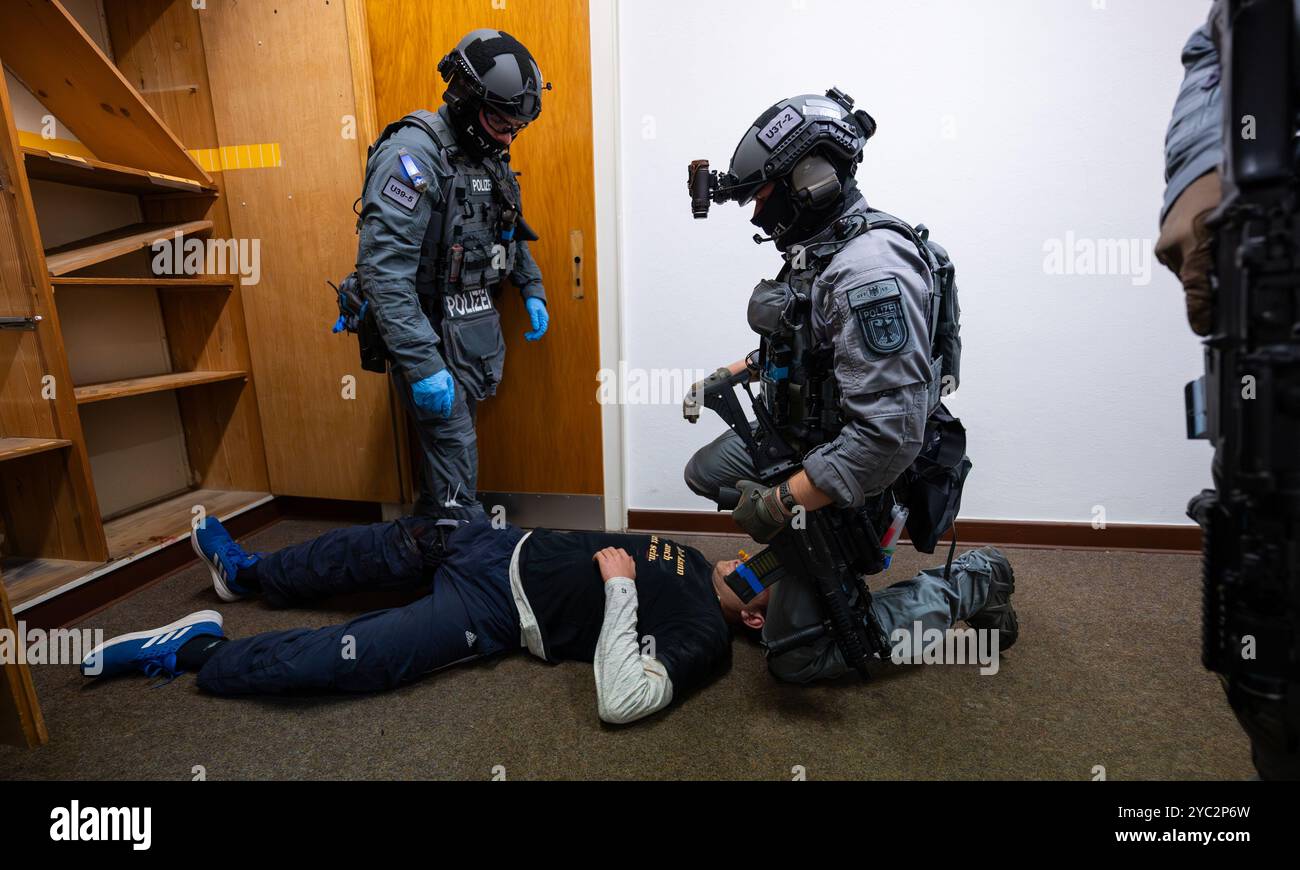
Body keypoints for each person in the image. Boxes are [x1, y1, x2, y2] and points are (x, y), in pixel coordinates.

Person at [682, 88, 1018, 681]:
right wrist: (731, 373)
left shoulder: (871, 273)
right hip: (806, 435)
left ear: (808, 181)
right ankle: (796, 553)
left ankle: (975, 582)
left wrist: (781, 500)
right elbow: (806, 349)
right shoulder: (822, 248)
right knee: (707, 472)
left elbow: (888, 436)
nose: (757, 212)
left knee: (797, 658)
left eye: (761, 194)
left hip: (861, 459)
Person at [79, 515, 1015, 721]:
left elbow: (621, 701)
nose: (748, 563)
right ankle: (249, 576)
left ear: (762, 624)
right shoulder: (693, 556)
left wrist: (614, 592)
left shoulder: (704, 644)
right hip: (494, 537)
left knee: (359, 657)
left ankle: (196, 653)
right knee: (376, 547)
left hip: (492, 609)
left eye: (766, 579)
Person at [356, 28, 550, 520]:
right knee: (455, 452)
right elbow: (383, 272)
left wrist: (531, 288)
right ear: (463, 100)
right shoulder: (414, 156)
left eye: (515, 128)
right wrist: (422, 367)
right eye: (499, 122)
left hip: (472, 334)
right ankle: (457, 558)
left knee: (451, 458)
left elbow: (508, 225)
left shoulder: (489, 149)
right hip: (426, 333)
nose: (508, 136)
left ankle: (434, 540)